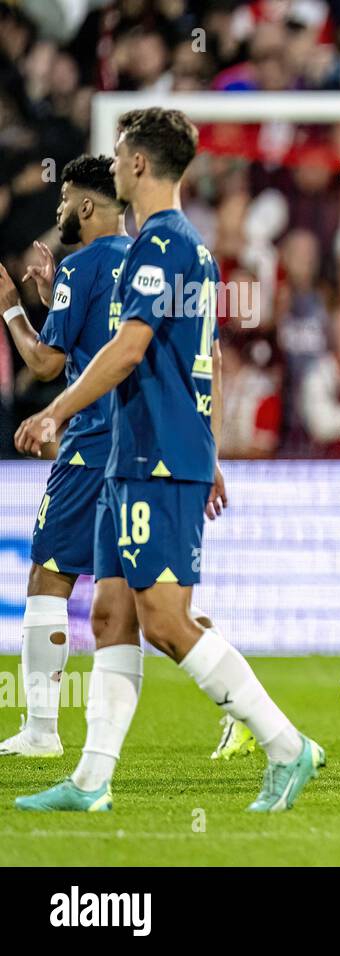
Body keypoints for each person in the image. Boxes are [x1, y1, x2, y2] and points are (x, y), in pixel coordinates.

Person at [13, 107, 324, 812]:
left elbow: (128, 349)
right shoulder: (187, 248)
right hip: (134, 452)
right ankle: (91, 781)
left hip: (156, 455)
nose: (114, 163)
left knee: (166, 620)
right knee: (113, 617)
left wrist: (54, 410)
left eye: (119, 153)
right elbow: (196, 360)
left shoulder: (162, 245)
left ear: (140, 165)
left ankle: (285, 745)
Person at [0, 155, 131, 758]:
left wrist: (11, 309)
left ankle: (42, 731)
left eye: (63, 205)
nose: (58, 216)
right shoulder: (150, 260)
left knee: (48, 577)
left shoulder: (82, 266)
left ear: (85, 207)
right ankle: (239, 708)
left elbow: (48, 364)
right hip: (142, 446)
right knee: (154, 599)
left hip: (89, 446)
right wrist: (59, 303)